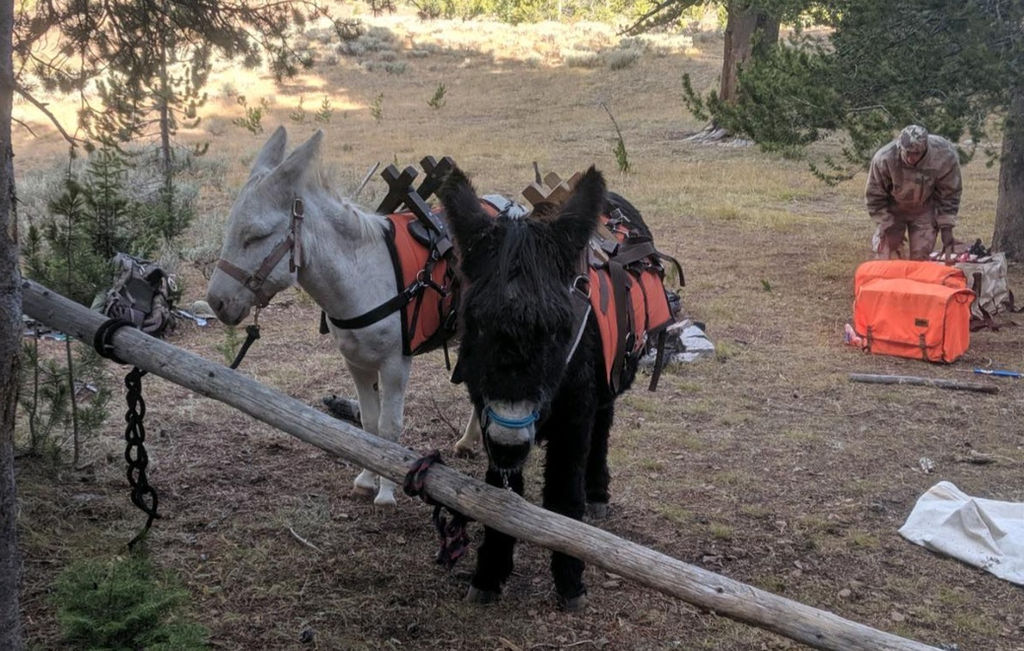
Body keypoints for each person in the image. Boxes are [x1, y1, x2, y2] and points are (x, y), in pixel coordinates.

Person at [865, 125, 963, 260]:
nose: (911, 158)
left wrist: (946, 227)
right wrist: (887, 225)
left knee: (921, 259)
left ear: (925, 149)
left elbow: (949, 193)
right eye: (907, 152)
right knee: (887, 258)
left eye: (916, 154)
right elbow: (874, 197)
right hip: (893, 210)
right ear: (900, 147)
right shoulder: (884, 159)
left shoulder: (944, 155)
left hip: (924, 210)